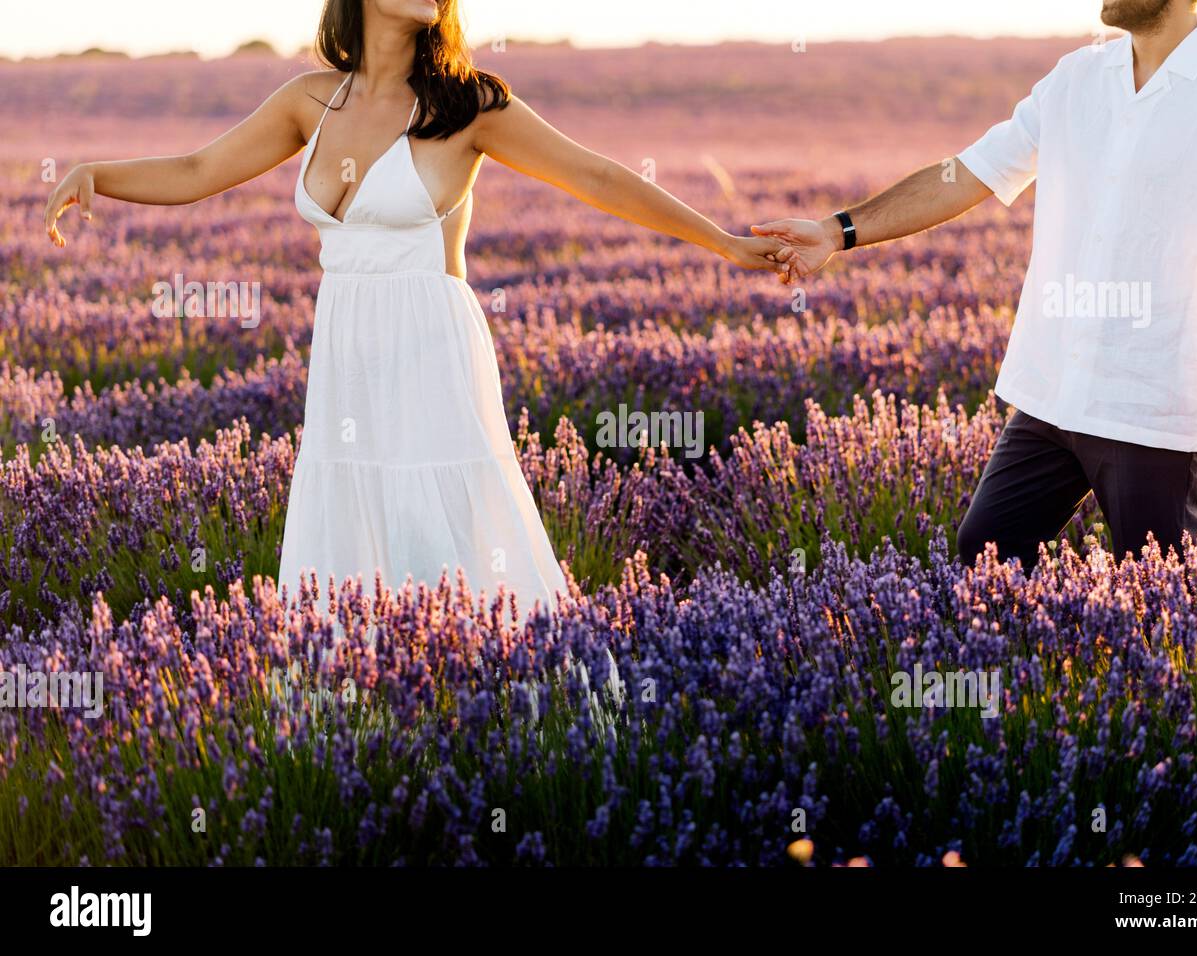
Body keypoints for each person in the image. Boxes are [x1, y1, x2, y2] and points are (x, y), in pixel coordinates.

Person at [44, 0, 788, 612]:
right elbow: (199, 169)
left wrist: (721, 241)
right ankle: (364, 727)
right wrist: (95, 173)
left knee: (448, 526)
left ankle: (496, 709)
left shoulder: (468, 103)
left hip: (430, 346)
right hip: (346, 357)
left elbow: (597, 176)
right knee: (352, 531)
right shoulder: (312, 99)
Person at [757, 2, 1197, 569]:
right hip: (1054, 393)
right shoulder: (1076, 78)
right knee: (988, 553)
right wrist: (836, 231)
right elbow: (964, 175)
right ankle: (1040, 657)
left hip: (1152, 407)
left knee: (1158, 595)